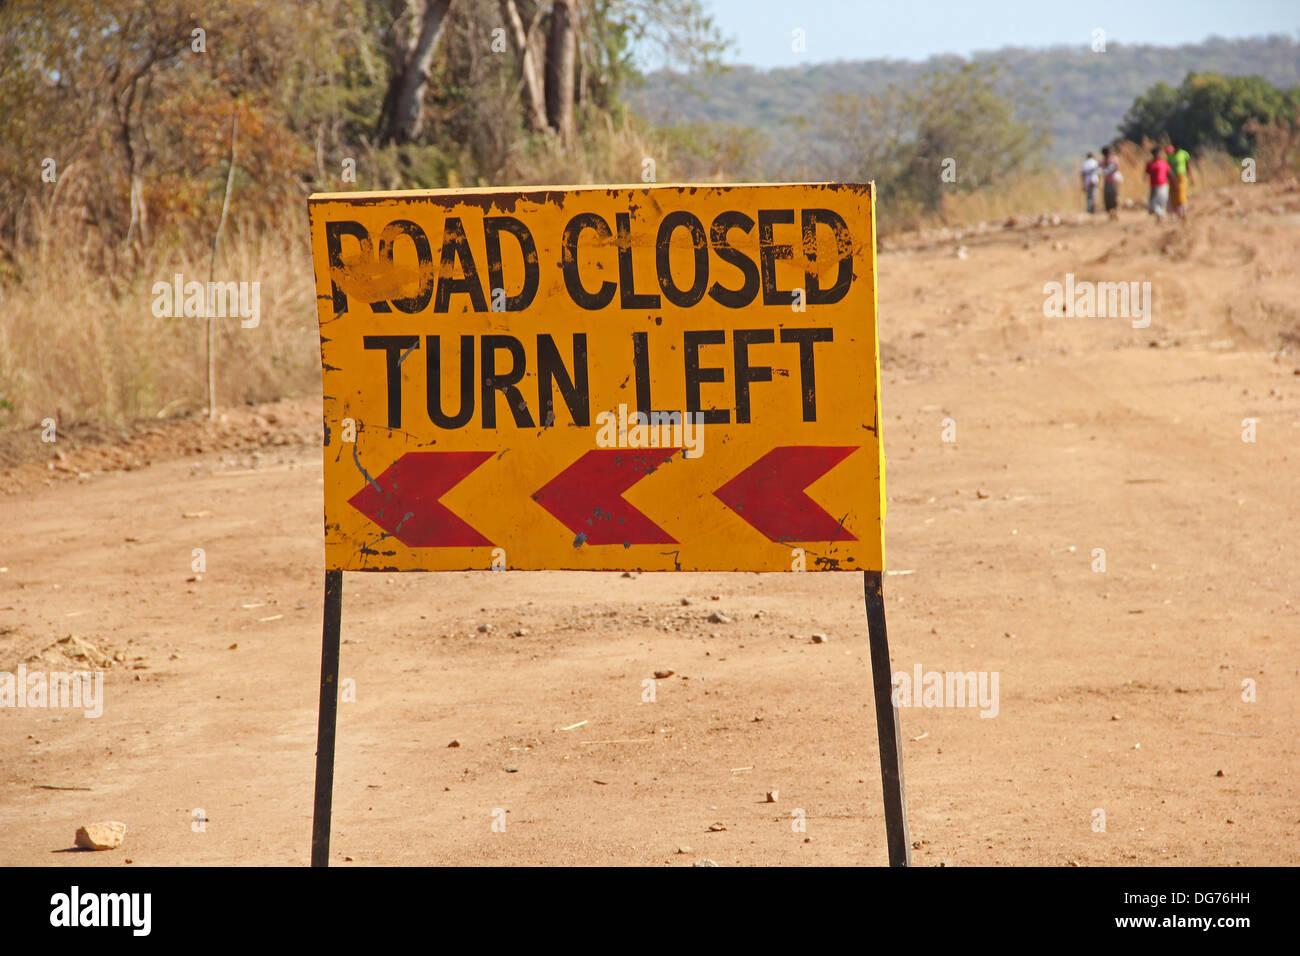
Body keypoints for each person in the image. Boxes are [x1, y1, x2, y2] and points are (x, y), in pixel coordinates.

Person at [1167, 142, 1193, 222]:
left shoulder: (1184, 154)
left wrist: (1191, 177)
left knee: (1181, 195)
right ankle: (1176, 215)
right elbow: (1168, 169)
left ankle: (1183, 213)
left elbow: (1188, 165)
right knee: (1173, 196)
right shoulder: (1170, 156)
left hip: (1182, 177)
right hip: (1172, 178)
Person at [1145, 146, 1171, 223]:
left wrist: (1174, 182)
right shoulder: (1150, 164)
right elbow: (1146, 173)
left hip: (1163, 185)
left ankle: (1160, 218)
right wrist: (1146, 176)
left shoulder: (1164, 163)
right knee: (1153, 202)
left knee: (1162, 201)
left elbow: (1169, 173)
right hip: (1154, 186)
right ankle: (1158, 217)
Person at [1100, 146, 1122, 221]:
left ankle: (1115, 213)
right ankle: (1110, 215)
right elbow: (1101, 171)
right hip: (1107, 182)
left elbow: (1117, 168)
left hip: (1114, 181)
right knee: (1107, 199)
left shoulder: (1114, 160)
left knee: (1115, 198)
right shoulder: (1102, 162)